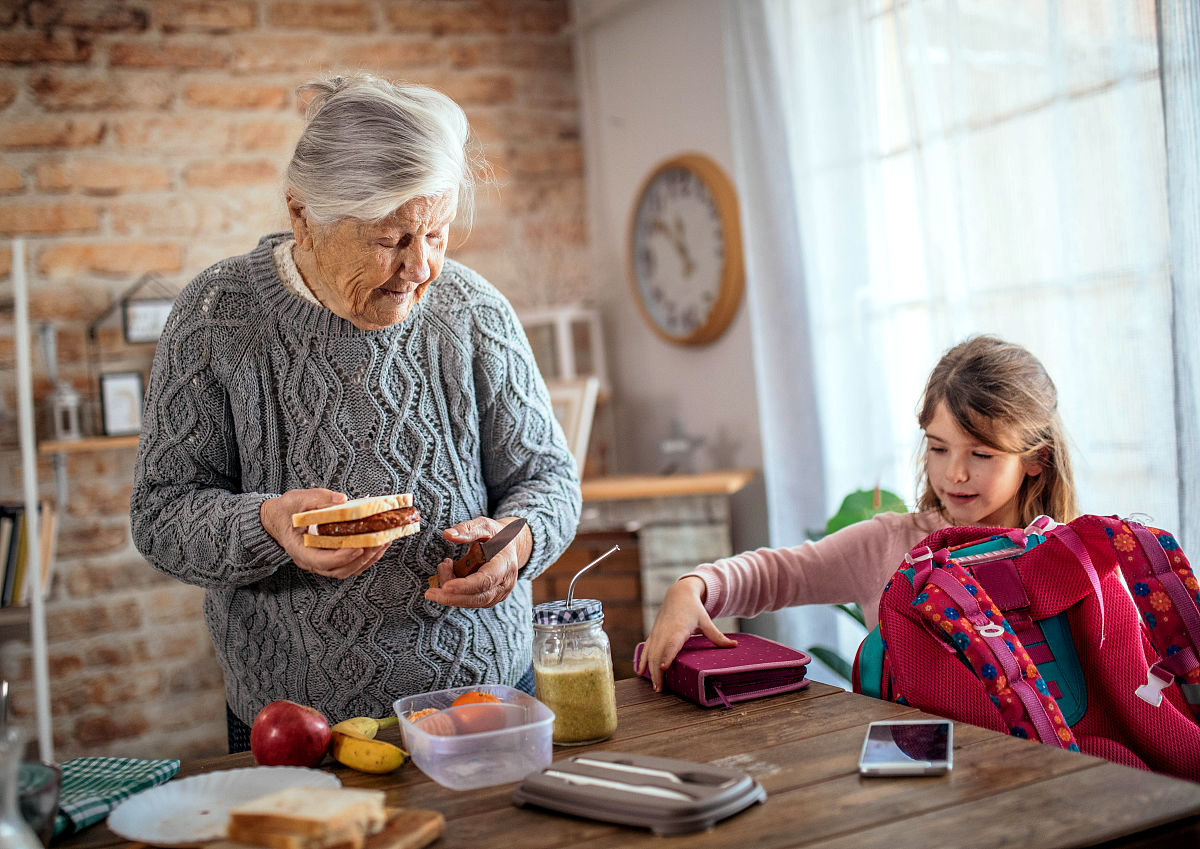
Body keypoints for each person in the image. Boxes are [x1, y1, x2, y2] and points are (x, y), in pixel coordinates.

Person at [130, 73, 581, 751]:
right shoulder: (216, 315)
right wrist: (268, 524)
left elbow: (550, 478)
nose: (421, 267)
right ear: (302, 214)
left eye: (438, 232)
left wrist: (518, 541)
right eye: (390, 239)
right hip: (296, 721)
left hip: (487, 692)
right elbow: (160, 513)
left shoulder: (475, 310)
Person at [636, 335, 1078, 690]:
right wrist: (691, 589)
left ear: (1035, 458)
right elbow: (782, 573)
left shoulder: (1072, 556)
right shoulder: (889, 545)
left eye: (981, 454)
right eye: (938, 448)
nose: (954, 474)